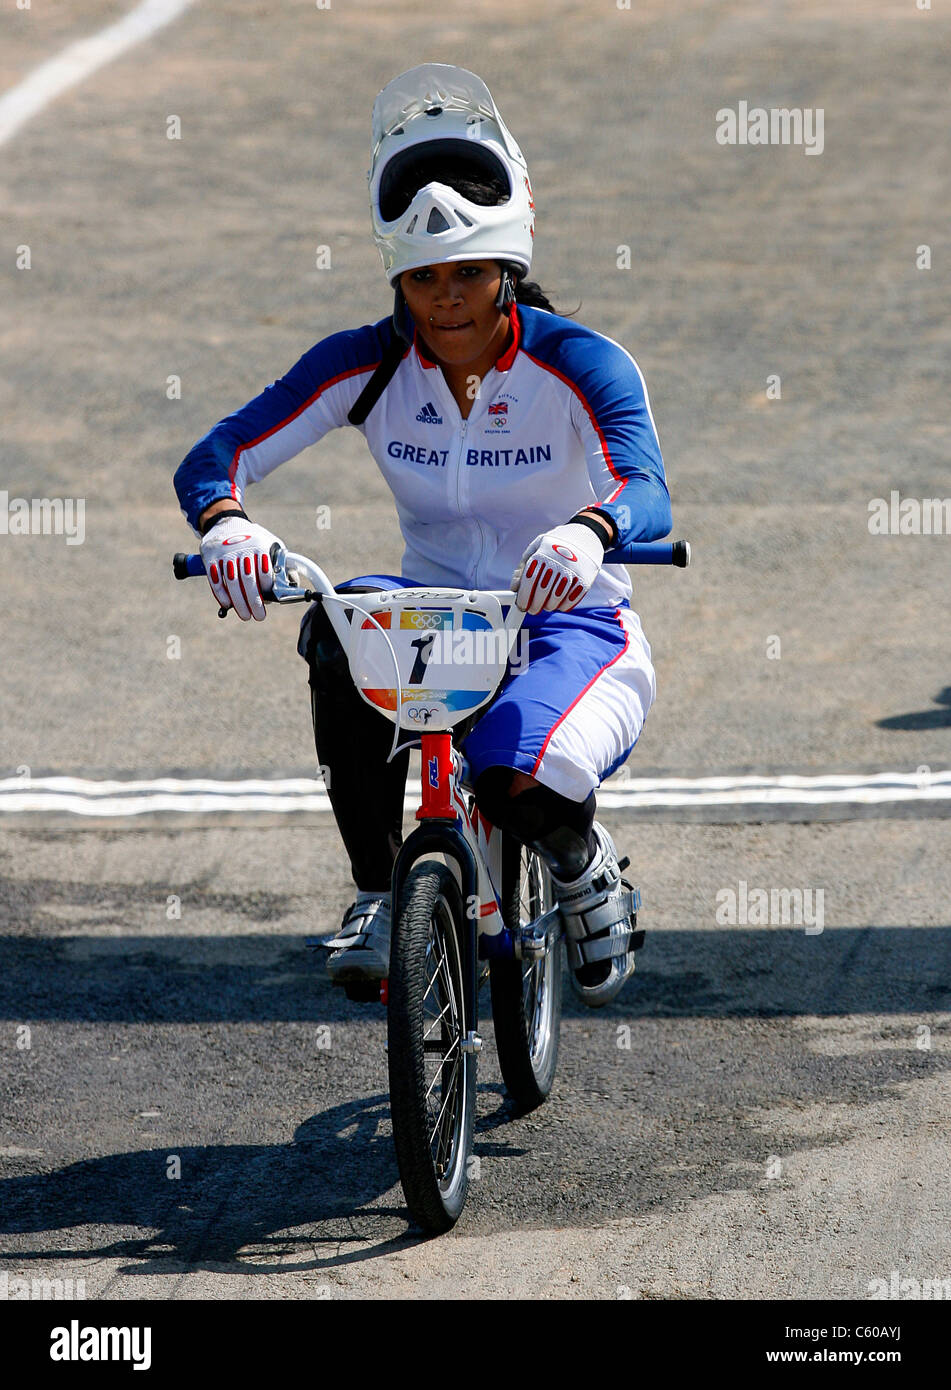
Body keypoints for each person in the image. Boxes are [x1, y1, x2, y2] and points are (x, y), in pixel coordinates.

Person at [174, 64, 672, 1007]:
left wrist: (590, 530)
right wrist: (226, 522)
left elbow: (647, 487)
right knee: (337, 617)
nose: (446, 300)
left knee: (512, 773)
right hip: (438, 618)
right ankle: (375, 890)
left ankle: (578, 857)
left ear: (508, 268)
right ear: (396, 276)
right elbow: (220, 450)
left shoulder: (581, 363)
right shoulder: (364, 363)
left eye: (470, 275)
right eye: (423, 278)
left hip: (571, 624)